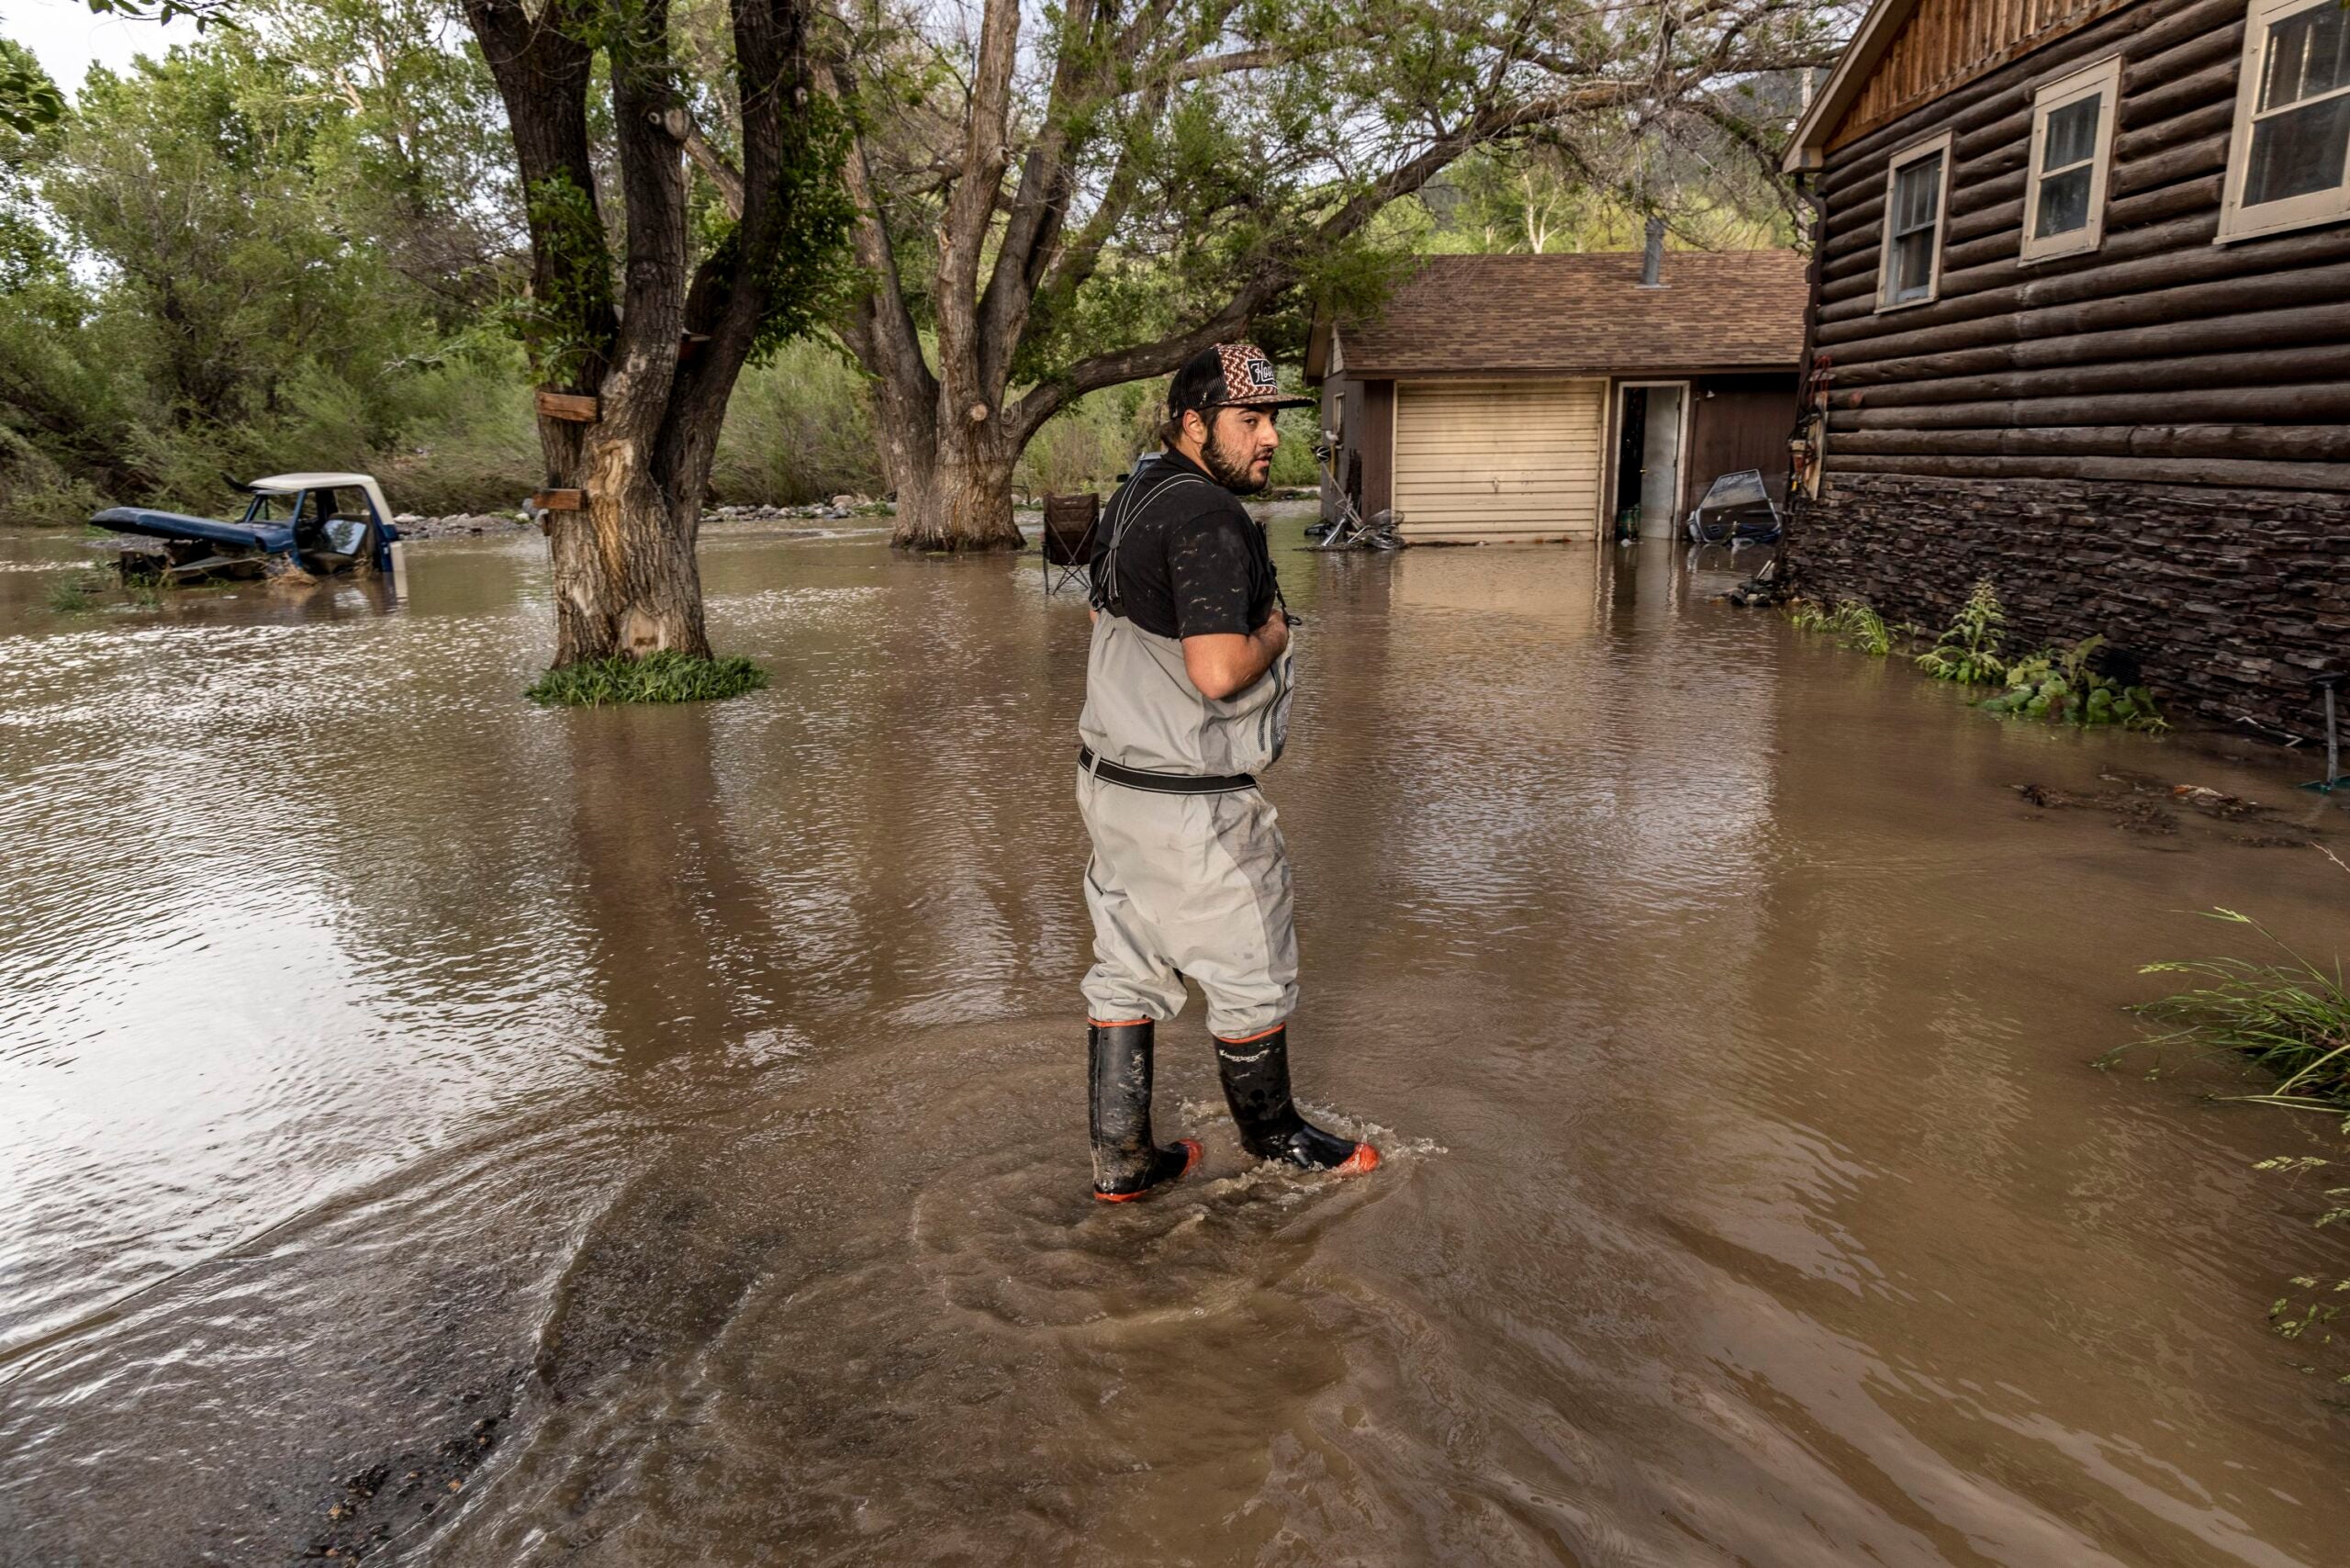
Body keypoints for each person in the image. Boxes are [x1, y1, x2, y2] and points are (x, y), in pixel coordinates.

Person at [1076, 342, 1380, 1202]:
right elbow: (1215, 673)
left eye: (1273, 419)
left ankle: (1124, 1162)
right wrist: (1275, 631)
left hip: (1113, 783)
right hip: (1190, 802)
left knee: (1128, 962)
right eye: (1250, 420)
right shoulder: (1210, 518)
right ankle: (1278, 1142)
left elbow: (1112, 619)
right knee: (1252, 964)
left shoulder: (1137, 493)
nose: (1271, 438)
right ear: (1193, 423)